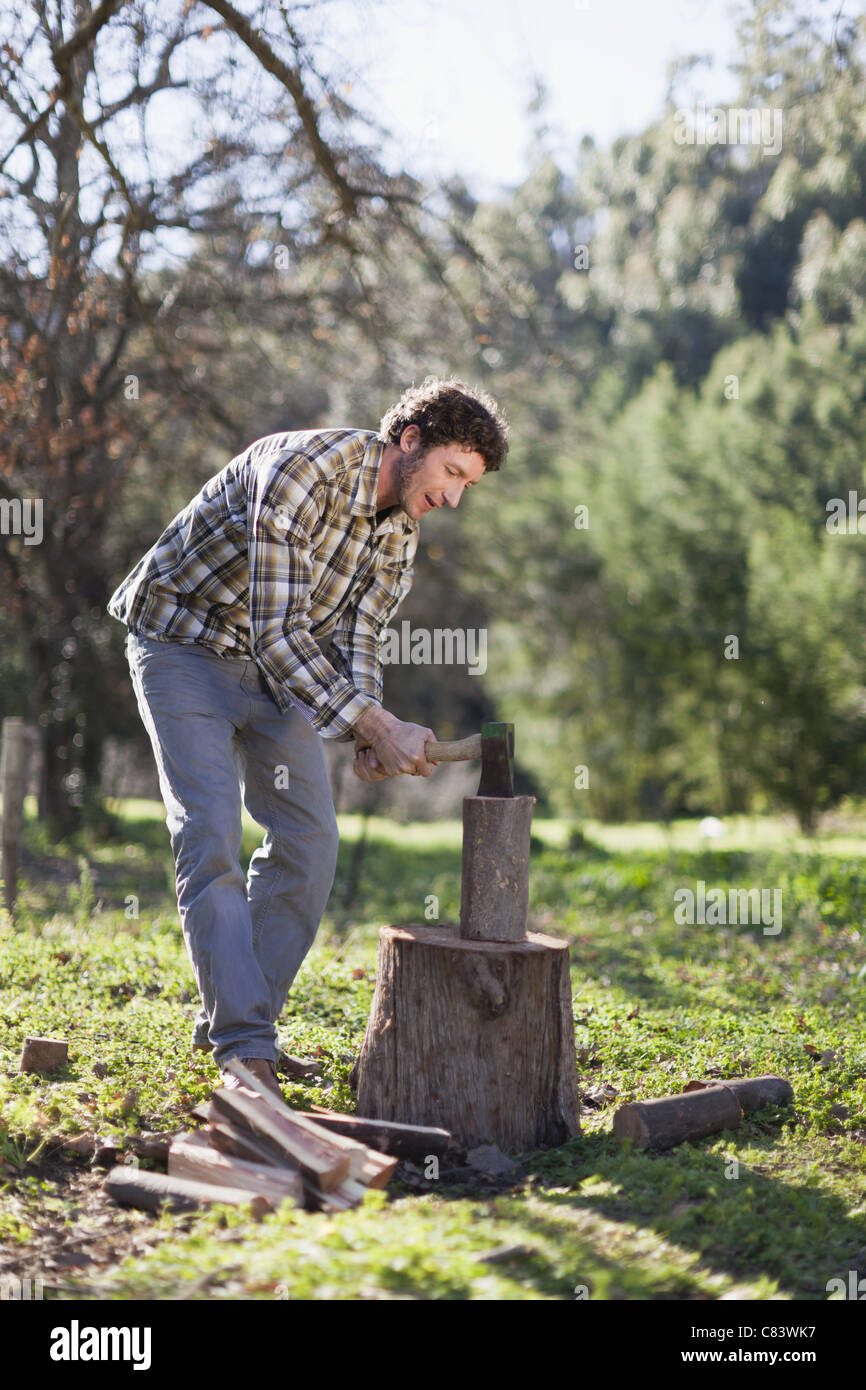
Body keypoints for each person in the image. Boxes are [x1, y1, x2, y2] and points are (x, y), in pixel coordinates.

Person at [106, 376, 509, 1096]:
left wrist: (369, 733)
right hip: (182, 648)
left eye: (467, 486)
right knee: (208, 833)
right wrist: (374, 722)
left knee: (309, 844)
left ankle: (241, 1022)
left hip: (278, 671)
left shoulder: (400, 531)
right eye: (451, 473)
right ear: (409, 441)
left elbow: (358, 638)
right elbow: (278, 630)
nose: (453, 497)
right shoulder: (301, 470)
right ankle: (245, 1046)